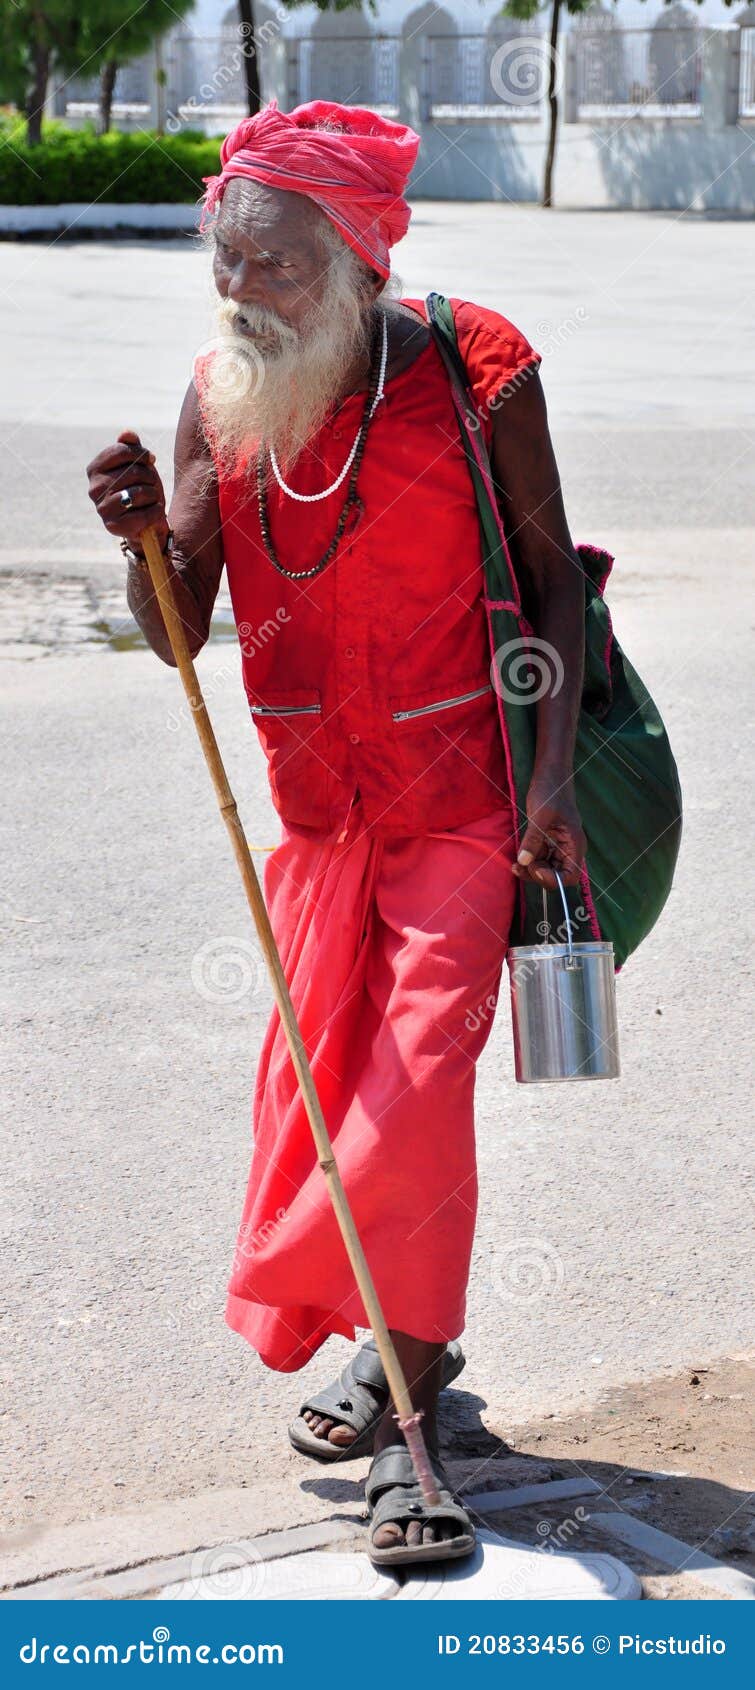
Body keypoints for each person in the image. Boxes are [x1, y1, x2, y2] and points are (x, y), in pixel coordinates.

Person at [86, 99, 586, 1568]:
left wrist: (548, 781)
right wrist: (137, 542)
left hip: (464, 807)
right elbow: (179, 630)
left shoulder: (477, 369)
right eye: (226, 264)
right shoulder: (217, 395)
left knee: (415, 1095)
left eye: (279, 268)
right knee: (320, 1101)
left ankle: (415, 1441)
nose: (245, 295)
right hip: (317, 818)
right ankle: (411, 1348)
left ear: (358, 258)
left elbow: (557, 590)